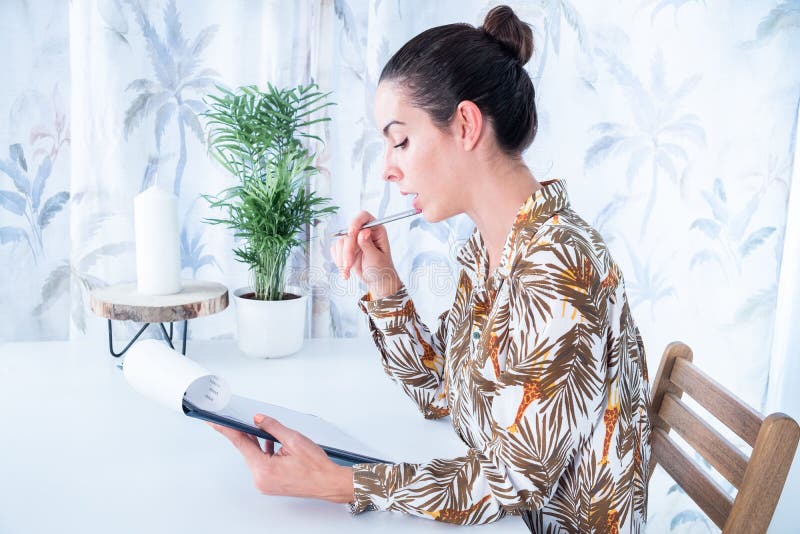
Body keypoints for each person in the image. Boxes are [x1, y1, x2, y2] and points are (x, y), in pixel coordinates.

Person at [209, 5, 651, 531]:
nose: (388, 167)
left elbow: (511, 480)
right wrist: (383, 282)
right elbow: (444, 392)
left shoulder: (557, 267)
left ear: (465, 125)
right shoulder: (489, 249)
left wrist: (338, 482)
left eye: (400, 140)